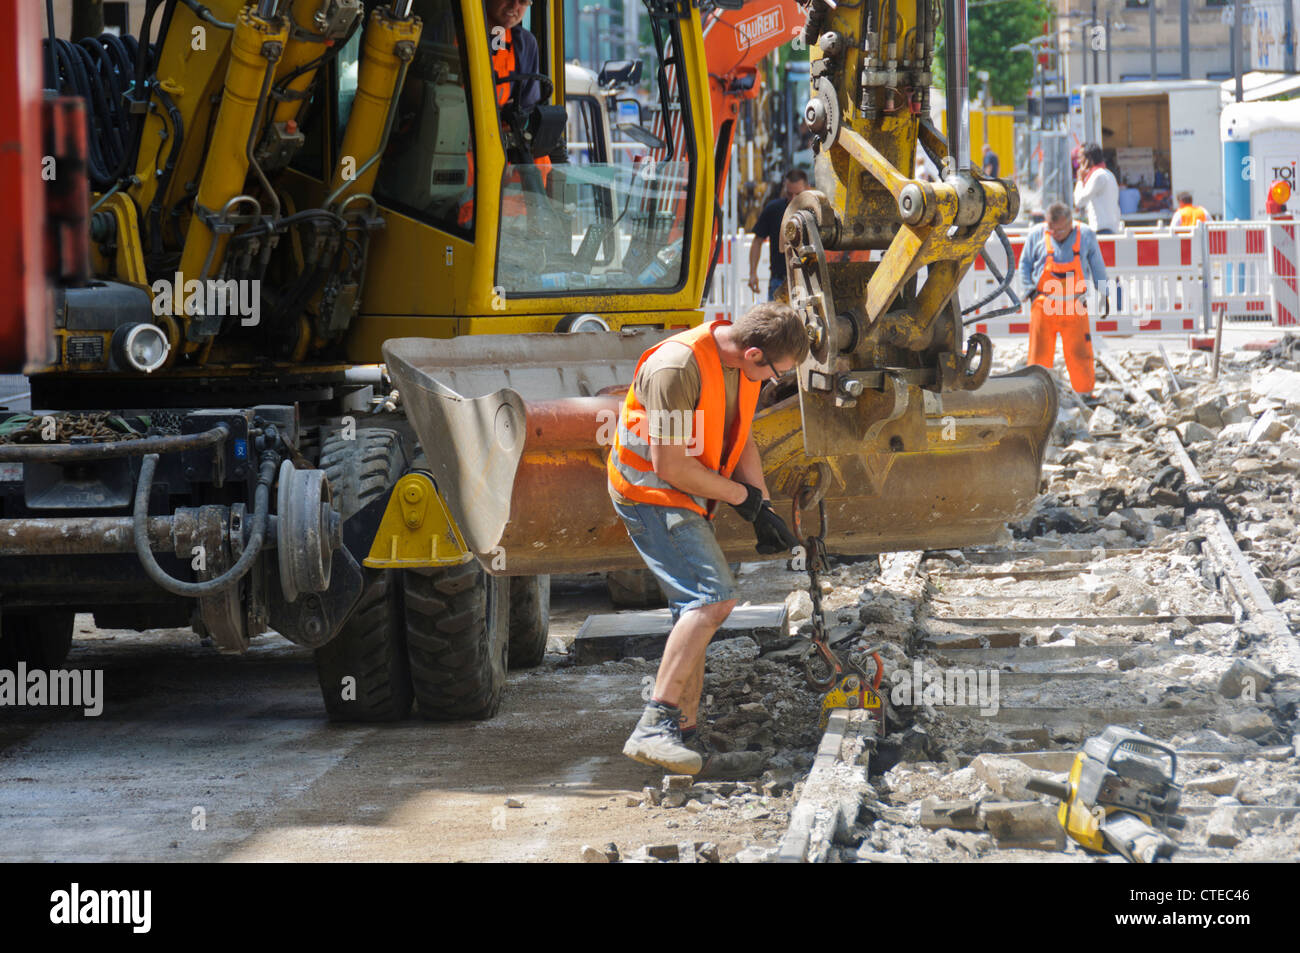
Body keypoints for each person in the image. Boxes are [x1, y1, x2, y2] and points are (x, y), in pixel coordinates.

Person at [609, 303, 808, 774]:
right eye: (778, 373)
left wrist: (763, 506)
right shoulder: (677, 368)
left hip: (689, 493)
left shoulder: (743, 368)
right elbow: (671, 466)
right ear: (755, 352)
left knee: (692, 611)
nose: (776, 382)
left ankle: (688, 739)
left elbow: (743, 439)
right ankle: (653, 725)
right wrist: (741, 497)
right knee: (712, 598)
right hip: (650, 493)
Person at [1019, 202, 1109, 395]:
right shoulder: (1037, 234)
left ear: (1070, 223)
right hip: (1044, 306)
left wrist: (1104, 293)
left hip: (1074, 306)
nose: (1055, 234)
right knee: (1038, 357)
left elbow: (1097, 265)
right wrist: (1029, 291)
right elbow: (1024, 263)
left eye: (1059, 230)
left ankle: (1084, 394)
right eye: (1051, 230)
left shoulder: (1085, 235)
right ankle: (1036, 396)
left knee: (1080, 355)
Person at [749, 170, 809, 300]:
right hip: (779, 280)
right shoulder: (773, 209)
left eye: (798, 194)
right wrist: (753, 273)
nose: (793, 199)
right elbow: (757, 241)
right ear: (784, 188)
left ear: (807, 189)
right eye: (789, 193)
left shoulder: (814, 211)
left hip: (808, 280)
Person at [1072, 142, 1121, 235]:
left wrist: (1079, 180)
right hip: (1110, 228)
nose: (1078, 161)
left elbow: (1079, 201)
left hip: (1101, 230)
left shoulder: (1097, 176)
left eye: (1080, 157)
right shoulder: (1108, 174)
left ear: (1088, 159)